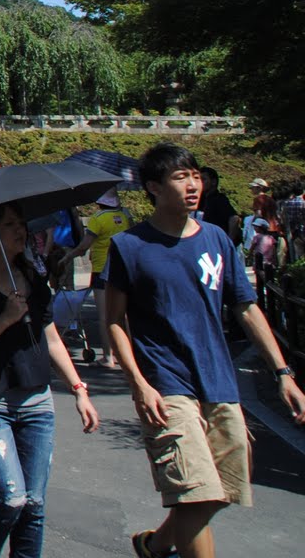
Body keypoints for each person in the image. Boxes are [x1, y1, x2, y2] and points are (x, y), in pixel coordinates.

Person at [104, 143, 305, 558]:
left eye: (195, 175)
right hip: (166, 384)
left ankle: (157, 545)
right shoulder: (130, 246)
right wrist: (138, 383)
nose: (193, 184)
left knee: (221, 489)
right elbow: (113, 321)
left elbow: (247, 309)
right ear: (154, 187)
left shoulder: (215, 239)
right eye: (181, 177)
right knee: (195, 494)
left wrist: (283, 374)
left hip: (218, 380)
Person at [0, 201, 99, 558]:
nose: (20, 230)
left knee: (34, 504)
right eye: (9, 224)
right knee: (10, 497)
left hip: (36, 401)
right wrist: (5, 319)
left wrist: (78, 389)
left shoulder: (30, 275)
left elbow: (51, 336)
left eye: (20, 223)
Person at [56, 189, 130, 368]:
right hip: (122, 269)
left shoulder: (99, 218)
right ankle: (125, 355)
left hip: (102, 270)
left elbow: (84, 246)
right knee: (123, 315)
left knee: (106, 316)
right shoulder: (123, 217)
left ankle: (107, 356)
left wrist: (67, 257)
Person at [198, 165, 240, 245]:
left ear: (213, 182)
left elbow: (234, 218)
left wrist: (228, 242)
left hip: (217, 243)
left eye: (203, 179)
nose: (200, 182)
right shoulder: (202, 200)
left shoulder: (219, 199)